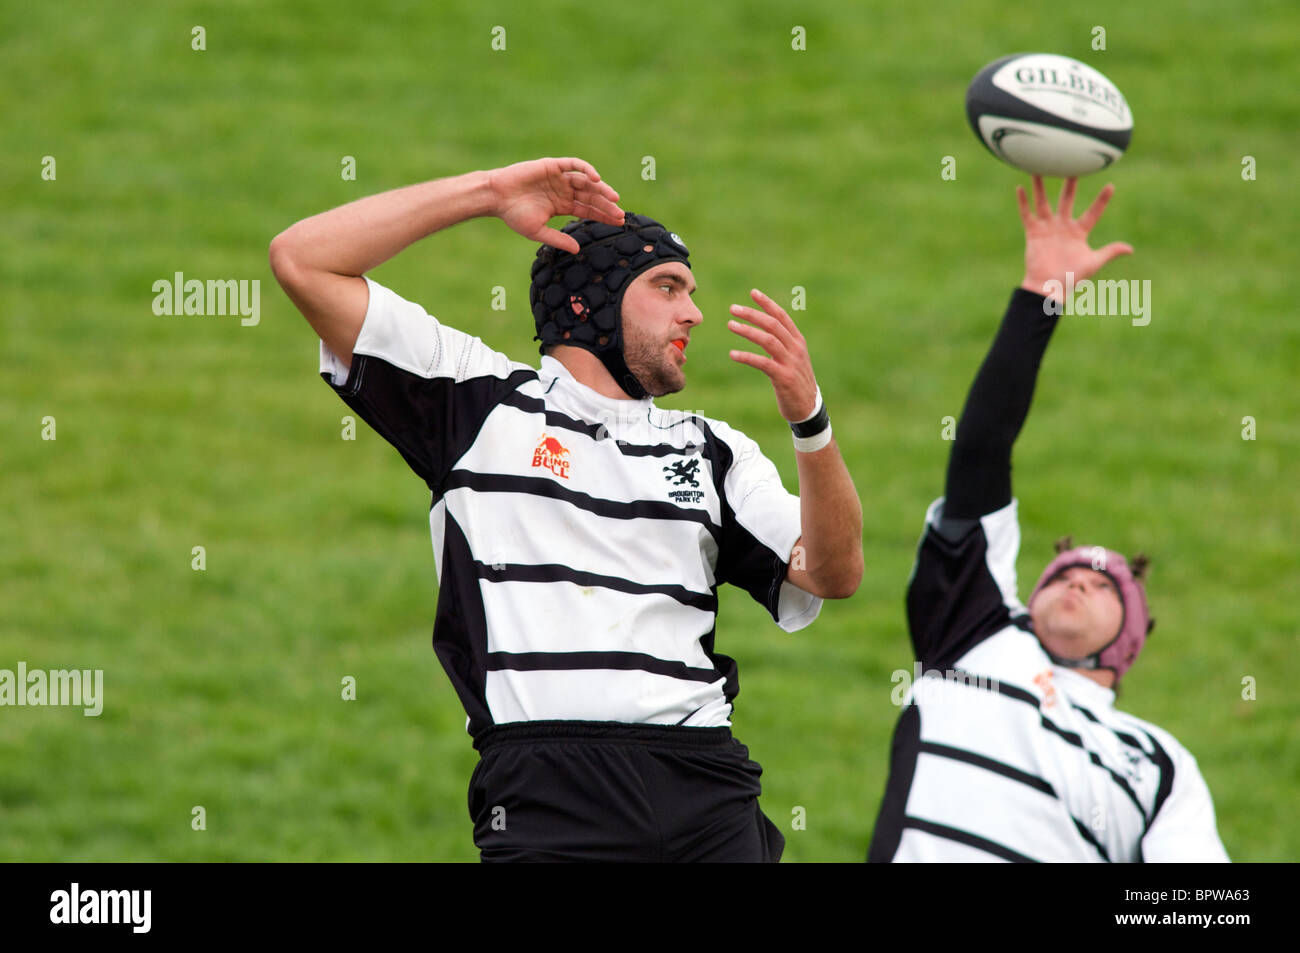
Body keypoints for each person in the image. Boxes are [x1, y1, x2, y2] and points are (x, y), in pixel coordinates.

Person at [268, 157, 863, 862]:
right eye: (667, 287)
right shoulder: (475, 400)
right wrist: (489, 194)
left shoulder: (714, 450)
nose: (694, 312)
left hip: (703, 788)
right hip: (546, 795)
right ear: (587, 305)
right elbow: (303, 260)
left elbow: (834, 571)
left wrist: (811, 424)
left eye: (692, 292)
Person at [868, 176, 1229, 863]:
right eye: (1066, 572)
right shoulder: (972, 632)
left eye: (1104, 586)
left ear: (1130, 643)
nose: (1079, 583)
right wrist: (1042, 297)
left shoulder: (1159, 763)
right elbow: (980, 453)